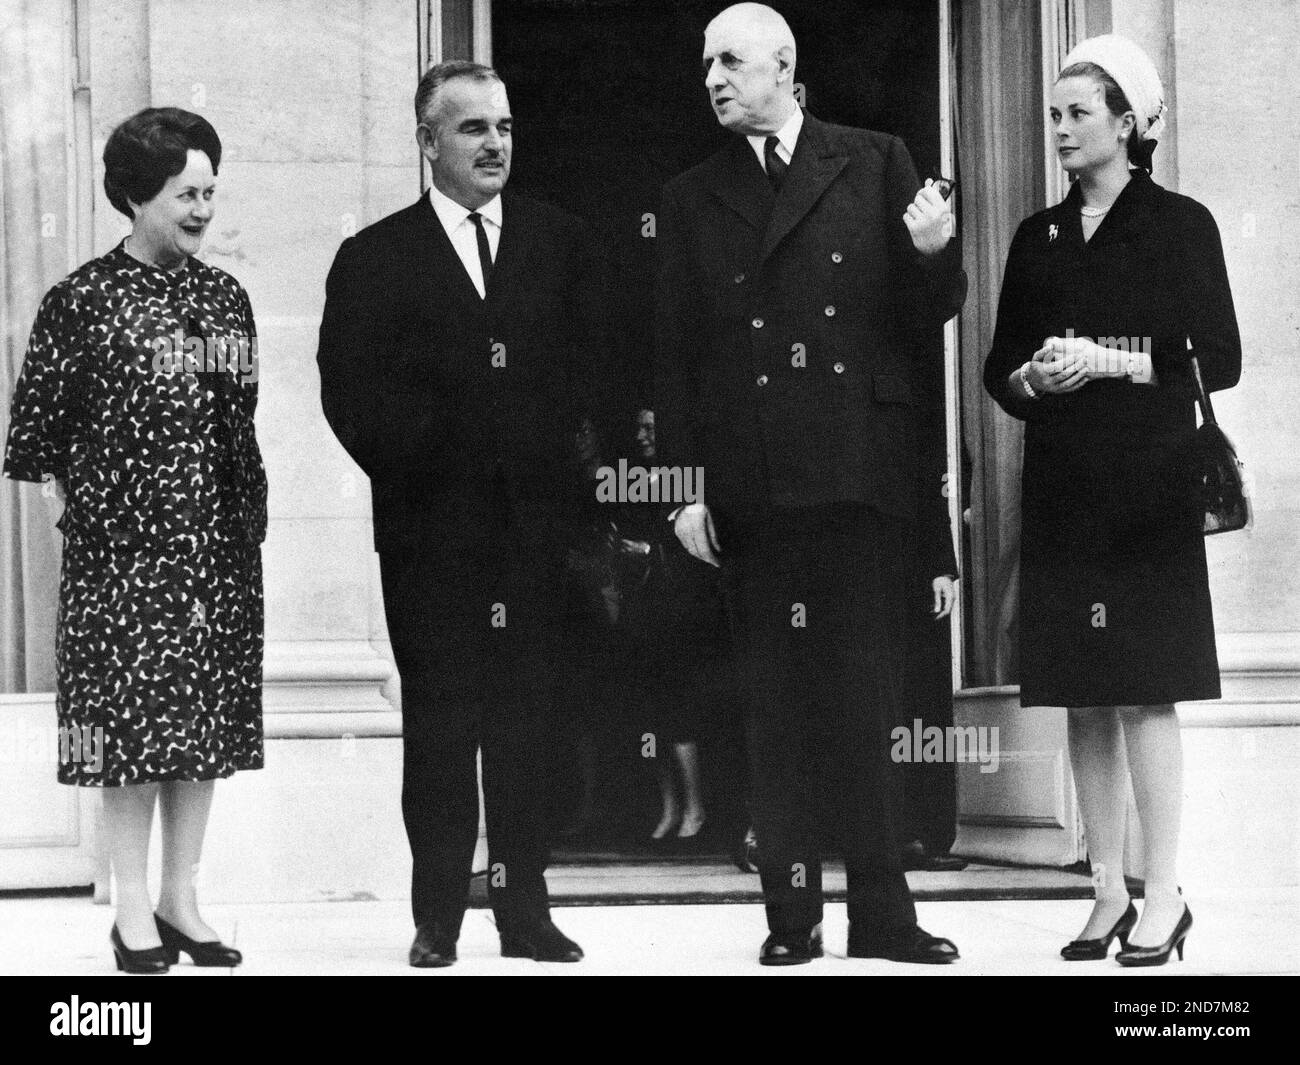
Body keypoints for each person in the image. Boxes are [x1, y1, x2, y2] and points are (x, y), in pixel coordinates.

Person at [655, 3, 966, 965]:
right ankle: (792, 922)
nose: (712, 76)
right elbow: (674, 359)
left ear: (784, 67)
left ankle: (885, 917)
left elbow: (929, 322)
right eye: (706, 61)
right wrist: (681, 488)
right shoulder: (690, 194)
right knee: (776, 709)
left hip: (861, 480)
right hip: (754, 488)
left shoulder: (874, 159)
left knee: (867, 706)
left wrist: (932, 255)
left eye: (731, 60)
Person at [317, 60, 604, 967]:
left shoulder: (562, 244)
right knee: (440, 728)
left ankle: (527, 912)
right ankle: (437, 914)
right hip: (431, 539)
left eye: (506, 127)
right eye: (474, 128)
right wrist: (440, 470)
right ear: (427, 141)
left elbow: (594, 377)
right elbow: (350, 397)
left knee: (530, 722)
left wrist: (567, 479)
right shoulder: (374, 257)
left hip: (535, 537)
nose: (495, 144)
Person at [983, 34, 1240, 966]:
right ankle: (1104, 894)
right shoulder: (1036, 235)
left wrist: (1116, 360)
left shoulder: (1181, 225)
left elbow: (1223, 355)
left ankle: (1163, 893)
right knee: (1083, 698)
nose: (1058, 130)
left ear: (1128, 122)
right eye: (1051, 115)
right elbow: (996, 370)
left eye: (1076, 113)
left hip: (1148, 493)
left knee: (1144, 693)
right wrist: (1034, 378)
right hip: (1063, 489)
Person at [3, 108, 265, 974]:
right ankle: (128, 912)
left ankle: (181, 899)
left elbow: (238, 420)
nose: (202, 209)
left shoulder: (224, 297)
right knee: (132, 733)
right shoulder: (81, 301)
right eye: (186, 193)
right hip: (121, 559)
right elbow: (36, 443)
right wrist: (85, 543)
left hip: (216, 551)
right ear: (136, 195)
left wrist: (237, 532)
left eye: (210, 193)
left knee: (204, 730)